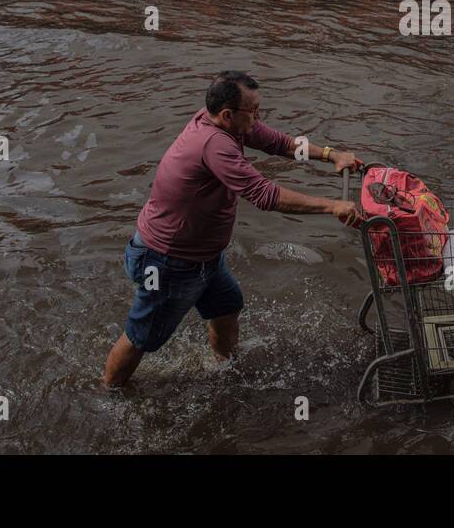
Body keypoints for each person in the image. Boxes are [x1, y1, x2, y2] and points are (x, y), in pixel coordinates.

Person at [102, 71, 363, 386]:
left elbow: (280, 143)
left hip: (203, 257)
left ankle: (223, 371)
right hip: (168, 260)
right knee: (142, 337)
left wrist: (331, 155)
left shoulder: (226, 124)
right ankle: (110, 390)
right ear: (227, 114)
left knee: (227, 307)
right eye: (253, 111)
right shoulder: (213, 144)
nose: (258, 117)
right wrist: (332, 205)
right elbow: (265, 195)